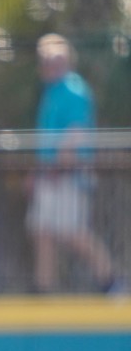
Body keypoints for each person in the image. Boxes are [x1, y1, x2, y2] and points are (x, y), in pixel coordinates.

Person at [27, 34, 120, 295]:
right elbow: (46, 138)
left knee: (73, 232)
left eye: (55, 60)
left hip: (67, 175)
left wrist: (58, 165)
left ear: (67, 61)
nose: (49, 65)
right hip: (49, 174)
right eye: (45, 60)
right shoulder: (50, 92)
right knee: (42, 230)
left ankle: (110, 280)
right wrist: (37, 171)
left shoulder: (74, 90)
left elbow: (76, 134)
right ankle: (42, 289)